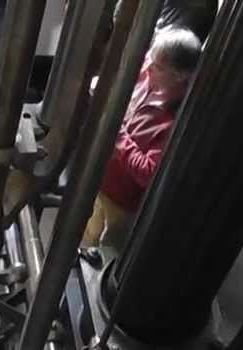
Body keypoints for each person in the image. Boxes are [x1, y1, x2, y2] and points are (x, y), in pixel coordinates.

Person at [82, 27, 201, 251]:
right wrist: (104, 86)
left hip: (119, 203)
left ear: (179, 76)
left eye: (157, 66)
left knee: (104, 253)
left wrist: (115, 132)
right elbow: (122, 83)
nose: (148, 67)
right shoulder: (147, 73)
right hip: (99, 179)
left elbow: (147, 172)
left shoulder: (175, 120)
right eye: (150, 58)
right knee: (86, 236)